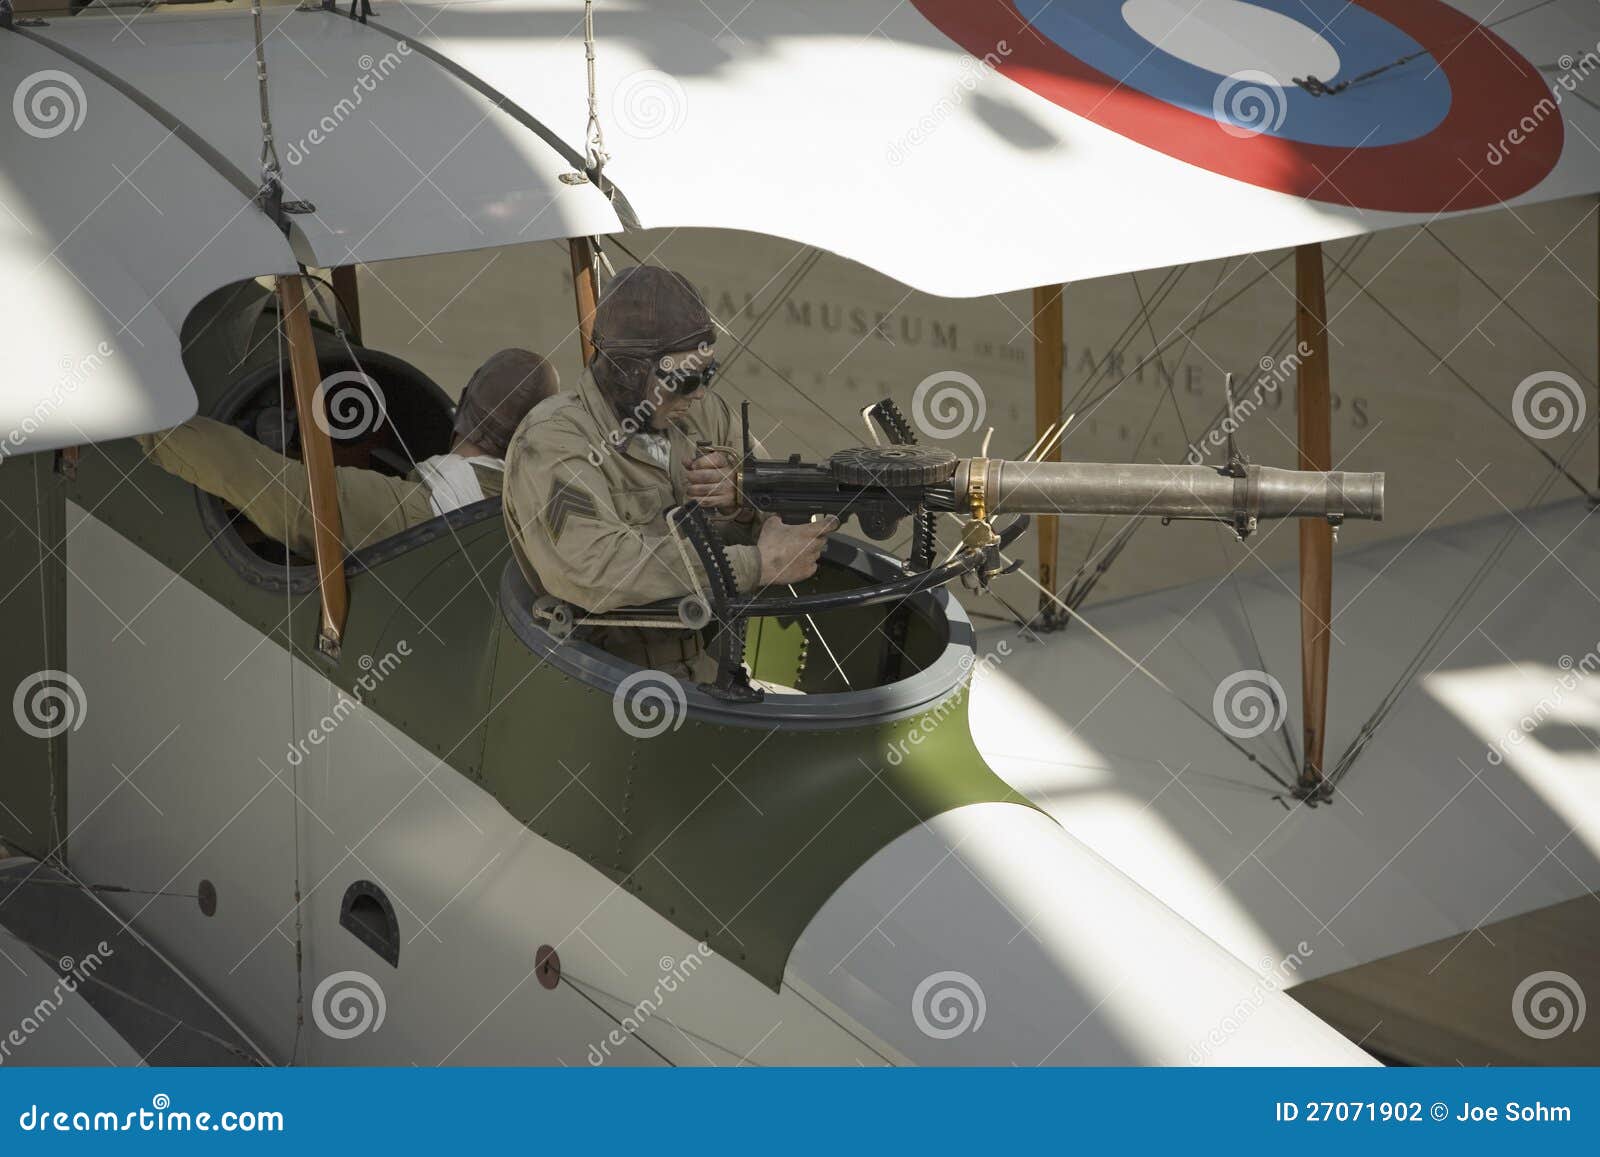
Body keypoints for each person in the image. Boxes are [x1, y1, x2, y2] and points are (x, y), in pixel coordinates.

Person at [503, 266, 835, 680]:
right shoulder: (554, 439)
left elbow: (783, 516)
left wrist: (743, 500)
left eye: (707, 374)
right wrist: (751, 565)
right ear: (628, 373)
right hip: (600, 678)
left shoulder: (705, 414)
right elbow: (592, 568)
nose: (699, 393)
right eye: (685, 379)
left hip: (702, 666)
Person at [139, 348, 558, 559]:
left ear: (463, 400)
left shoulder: (425, 512)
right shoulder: (543, 507)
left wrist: (142, 415)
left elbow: (280, 493)